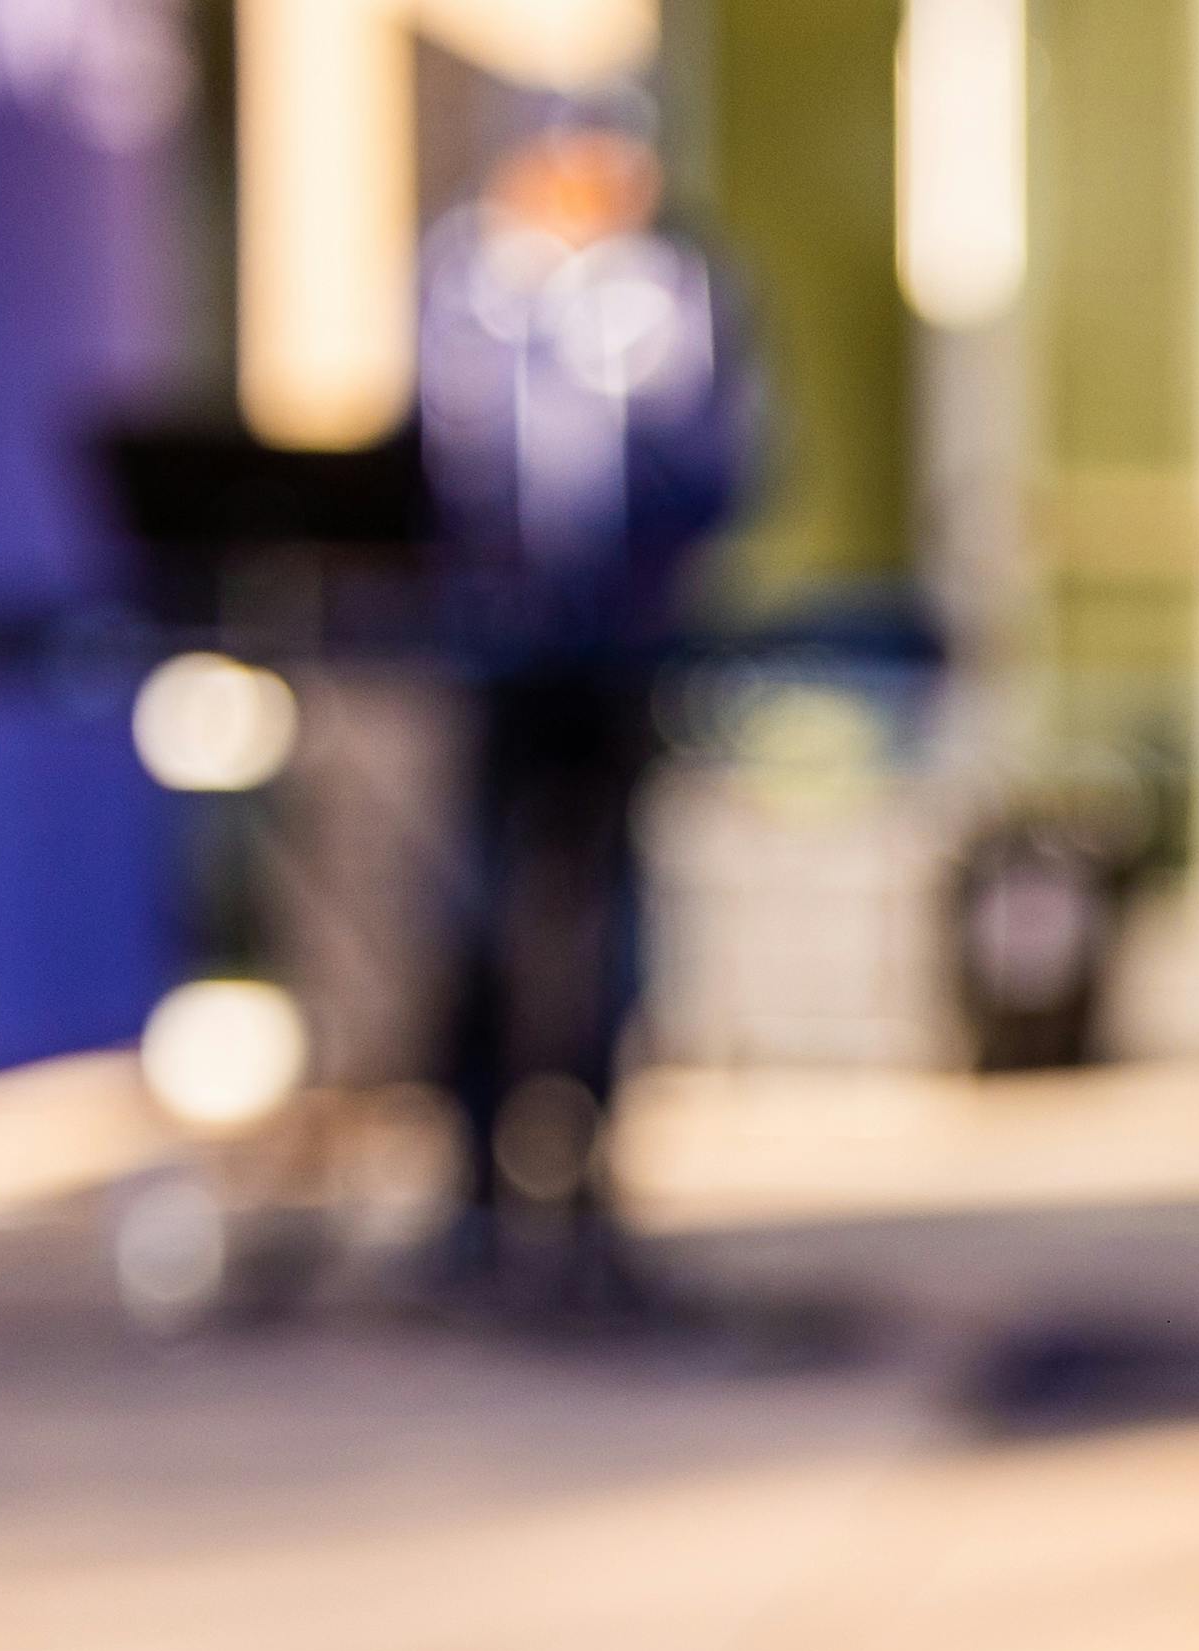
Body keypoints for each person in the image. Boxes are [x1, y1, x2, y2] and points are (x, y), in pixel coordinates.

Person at [412, 87, 754, 1311]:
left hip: (624, 649)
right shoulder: (467, 281)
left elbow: (730, 455)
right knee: (475, 915)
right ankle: (471, 1194)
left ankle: (593, 1186)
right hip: (491, 653)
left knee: (609, 925)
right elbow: (430, 446)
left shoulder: (675, 292)